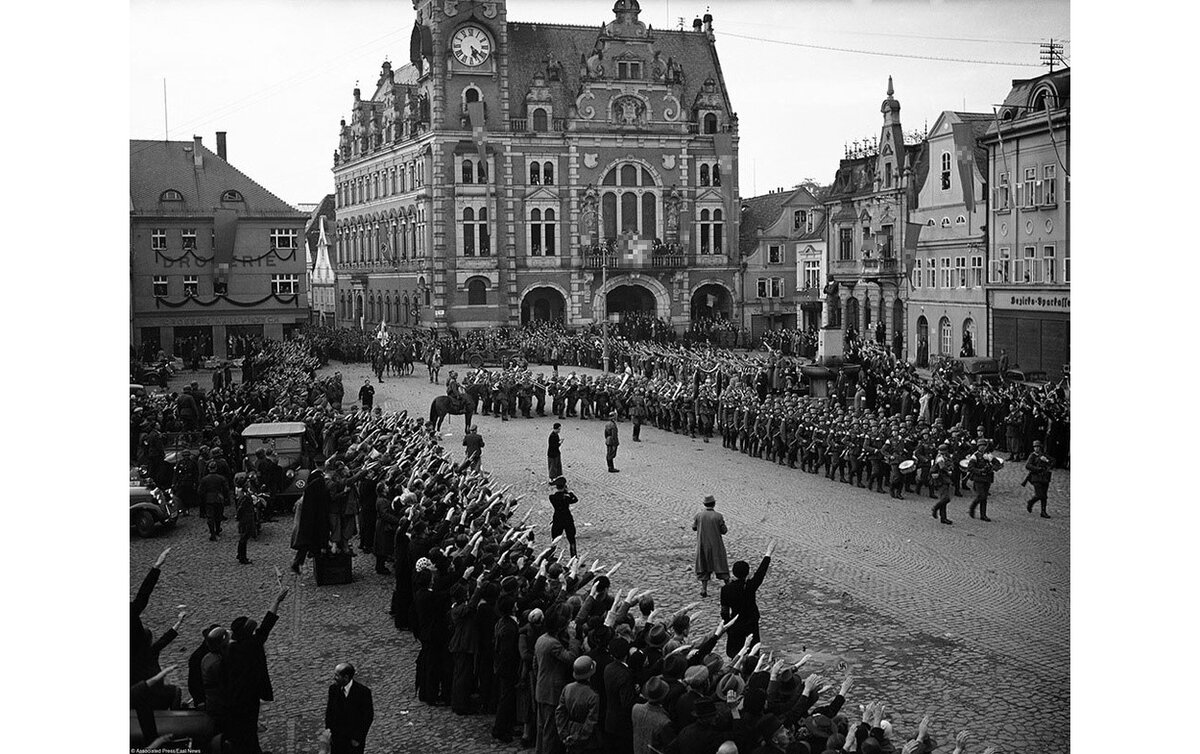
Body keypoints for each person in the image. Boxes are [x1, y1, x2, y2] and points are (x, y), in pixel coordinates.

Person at [225, 588, 289, 754]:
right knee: (249, 728)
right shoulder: (253, 644)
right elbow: (266, 625)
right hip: (249, 694)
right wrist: (276, 601)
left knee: (245, 728)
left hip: (234, 694)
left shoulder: (230, 650)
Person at [719, 539, 775, 656]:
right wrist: (768, 553)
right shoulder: (750, 586)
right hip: (750, 622)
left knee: (735, 653)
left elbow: (724, 611)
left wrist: (728, 625)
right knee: (752, 652)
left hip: (735, 623)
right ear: (747, 573)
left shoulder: (726, 589)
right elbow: (760, 573)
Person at [325, 662, 375, 754]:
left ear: (346, 677)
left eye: (337, 675)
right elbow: (329, 711)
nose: (334, 678)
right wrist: (328, 732)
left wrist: (357, 738)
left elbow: (367, 717)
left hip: (353, 741)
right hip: (337, 739)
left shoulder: (363, 693)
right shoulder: (333, 689)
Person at [556, 656, 601, 753]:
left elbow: (560, 713)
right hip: (587, 739)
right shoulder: (593, 695)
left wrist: (564, 734)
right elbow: (591, 721)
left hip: (569, 730)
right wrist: (579, 738)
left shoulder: (567, 688)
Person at [291, 463, 331, 573]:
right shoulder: (318, 487)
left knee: (306, 544)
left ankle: (298, 562)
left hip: (309, 522)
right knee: (311, 543)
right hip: (314, 522)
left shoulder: (309, 491)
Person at [693, 495, 730, 598]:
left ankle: (704, 589)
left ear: (704, 504)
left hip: (703, 545)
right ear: (714, 504)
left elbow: (694, 527)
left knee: (703, 566)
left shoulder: (699, 516)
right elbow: (724, 530)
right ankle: (728, 585)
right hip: (716, 546)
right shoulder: (718, 516)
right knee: (721, 565)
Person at [198, 461, 230, 542]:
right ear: (216, 468)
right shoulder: (221, 478)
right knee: (218, 515)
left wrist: (203, 499)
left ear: (209, 469)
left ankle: (212, 533)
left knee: (210, 517)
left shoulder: (204, 479)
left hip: (208, 499)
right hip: (219, 498)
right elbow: (226, 489)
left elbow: (200, 491)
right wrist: (226, 497)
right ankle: (218, 530)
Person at [549, 476, 579, 557]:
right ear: (564, 486)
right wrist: (569, 492)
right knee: (571, 539)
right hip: (567, 519)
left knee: (554, 539)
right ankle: (574, 557)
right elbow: (575, 500)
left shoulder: (552, 497)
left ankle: (551, 556)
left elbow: (554, 495)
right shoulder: (566, 497)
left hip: (557, 519)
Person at [966, 439, 996, 522]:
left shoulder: (989, 455)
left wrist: (992, 465)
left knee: (984, 497)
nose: (982, 447)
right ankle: (973, 507)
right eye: (981, 446)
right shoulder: (975, 456)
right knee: (981, 496)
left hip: (987, 478)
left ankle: (983, 515)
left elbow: (997, 464)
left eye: (984, 446)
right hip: (978, 479)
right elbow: (970, 468)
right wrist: (980, 471)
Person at [1023, 440, 1053, 518]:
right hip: (1036, 477)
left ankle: (1043, 511)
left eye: (1038, 447)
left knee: (1044, 496)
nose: (1036, 449)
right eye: (1035, 447)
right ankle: (1031, 502)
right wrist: (1037, 469)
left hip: (1045, 477)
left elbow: (1053, 462)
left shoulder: (1044, 455)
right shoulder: (1032, 456)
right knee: (1039, 494)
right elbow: (1028, 465)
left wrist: (1046, 461)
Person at [234, 473, 255, 564]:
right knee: (244, 537)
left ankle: (240, 554)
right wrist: (238, 516)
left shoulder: (244, 494)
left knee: (244, 537)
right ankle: (242, 557)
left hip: (246, 517)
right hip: (246, 518)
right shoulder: (245, 496)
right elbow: (241, 508)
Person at [930, 443, 954, 525]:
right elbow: (942, 467)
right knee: (946, 498)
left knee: (944, 499)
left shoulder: (946, 457)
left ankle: (943, 517)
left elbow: (950, 464)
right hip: (941, 479)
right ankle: (935, 508)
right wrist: (949, 471)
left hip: (945, 479)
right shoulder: (940, 458)